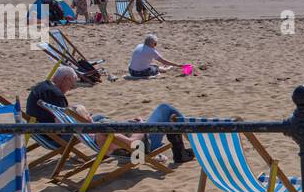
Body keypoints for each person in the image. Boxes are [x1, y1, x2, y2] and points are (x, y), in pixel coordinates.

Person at [26, 65, 193, 163]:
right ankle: (187, 144)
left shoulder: (43, 87)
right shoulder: (101, 130)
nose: (72, 88)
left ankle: (181, 149)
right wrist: (141, 124)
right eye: (72, 84)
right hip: (141, 147)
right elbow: (132, 144)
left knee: (101, 118)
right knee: (165, 109)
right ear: (64, 80)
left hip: (113, 141)